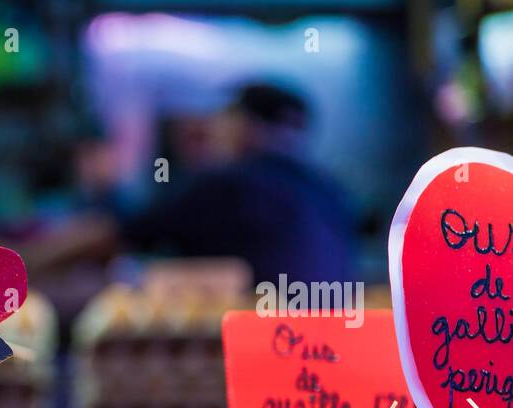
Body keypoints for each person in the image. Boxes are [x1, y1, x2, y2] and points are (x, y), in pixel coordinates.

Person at [123, 83, 357, 287]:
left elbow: (127, 233)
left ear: (248, 126)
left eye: (226, 117)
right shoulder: (331, 190)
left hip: (258, 330)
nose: (216, 128)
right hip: (331, 331)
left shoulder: (228, 184)